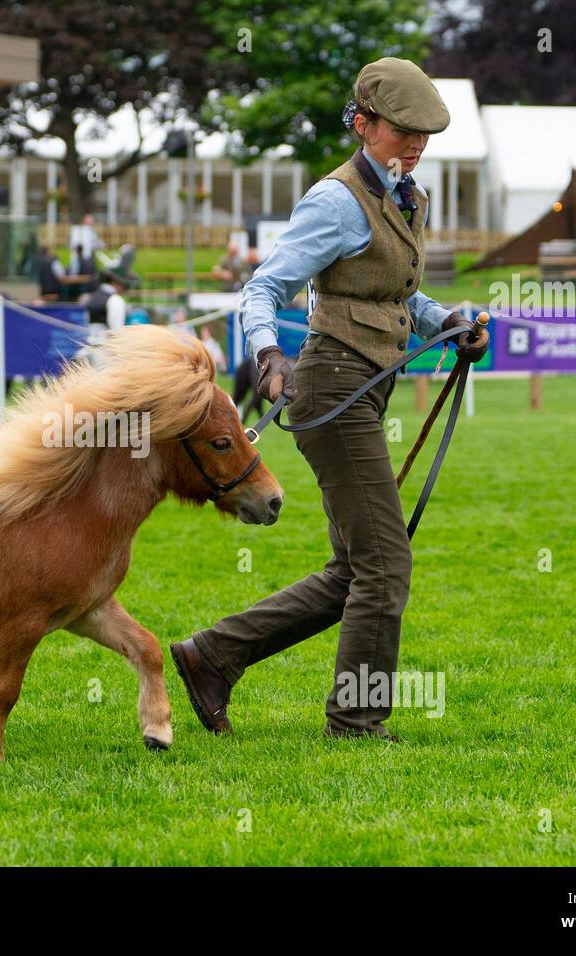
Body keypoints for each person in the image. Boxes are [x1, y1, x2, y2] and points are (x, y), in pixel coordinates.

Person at [169, 57, 489, 743]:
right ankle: (356, 719)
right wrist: (266, 353)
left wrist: (448, 324)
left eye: (424, 133)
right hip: (331, 390)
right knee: (385, 562)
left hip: (362, 390)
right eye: (402, 130)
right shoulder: (336, 199)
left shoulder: (404, 194)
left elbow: (396, 295)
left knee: (355, 568)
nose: (415, 144)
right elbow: (263, 288)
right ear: (363, 121)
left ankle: (213, 655)